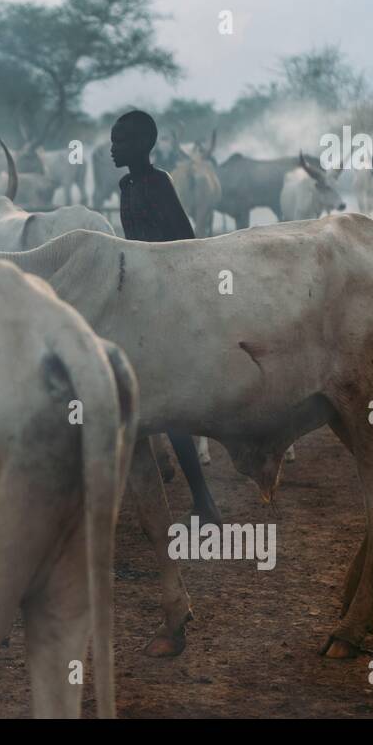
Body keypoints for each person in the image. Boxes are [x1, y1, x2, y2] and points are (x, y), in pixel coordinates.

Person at [110, 109, 223, 525]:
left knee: (164, 405)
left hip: (166, 300)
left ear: (142, 146)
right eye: (112, 140)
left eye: (120, 141)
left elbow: (185, 240)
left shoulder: (159, 184)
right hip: (140, 298)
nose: (112, 147)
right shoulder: (126, 185)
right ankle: (188, 498)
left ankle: (203, 499)